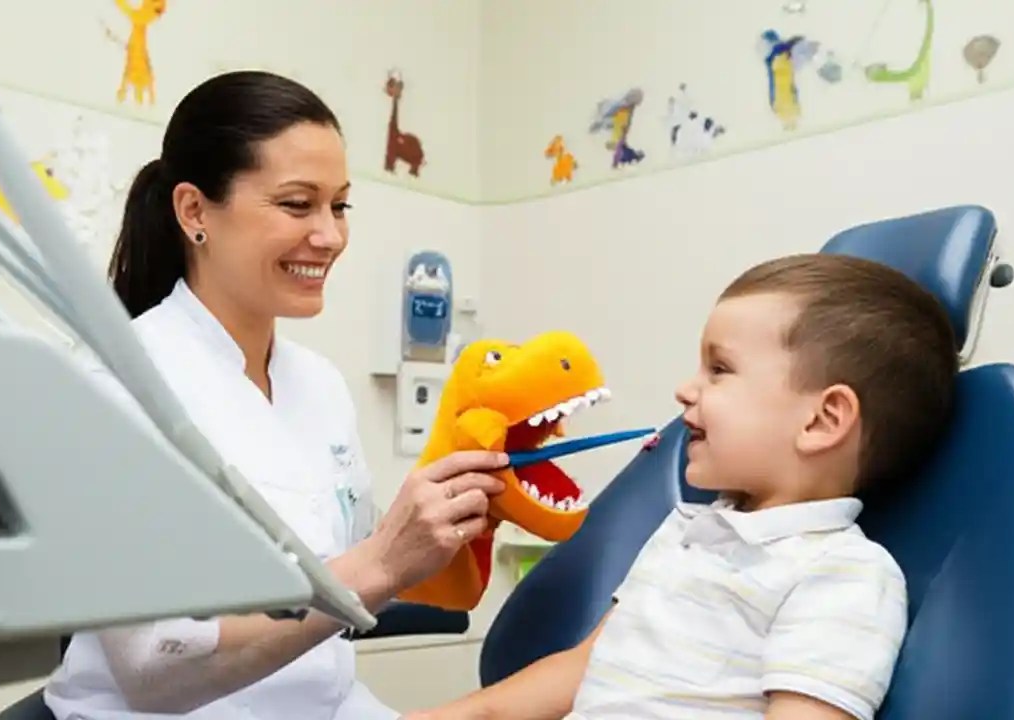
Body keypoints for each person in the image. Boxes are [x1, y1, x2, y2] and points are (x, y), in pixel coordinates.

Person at [42, 70, 509, 719]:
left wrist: (439, 537)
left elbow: (350, 568)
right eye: (297, 205)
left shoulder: (318, 386)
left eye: (339, 206)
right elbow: (153, 670)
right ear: (194, 211)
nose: (331, 236)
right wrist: (378, 565)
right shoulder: (122, 384)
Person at [409, 253, 960, 720]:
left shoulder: (843, 576)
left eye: (719, 369)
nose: (685, 390)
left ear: (822, 420)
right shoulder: (690, 529)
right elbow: (587, 666)